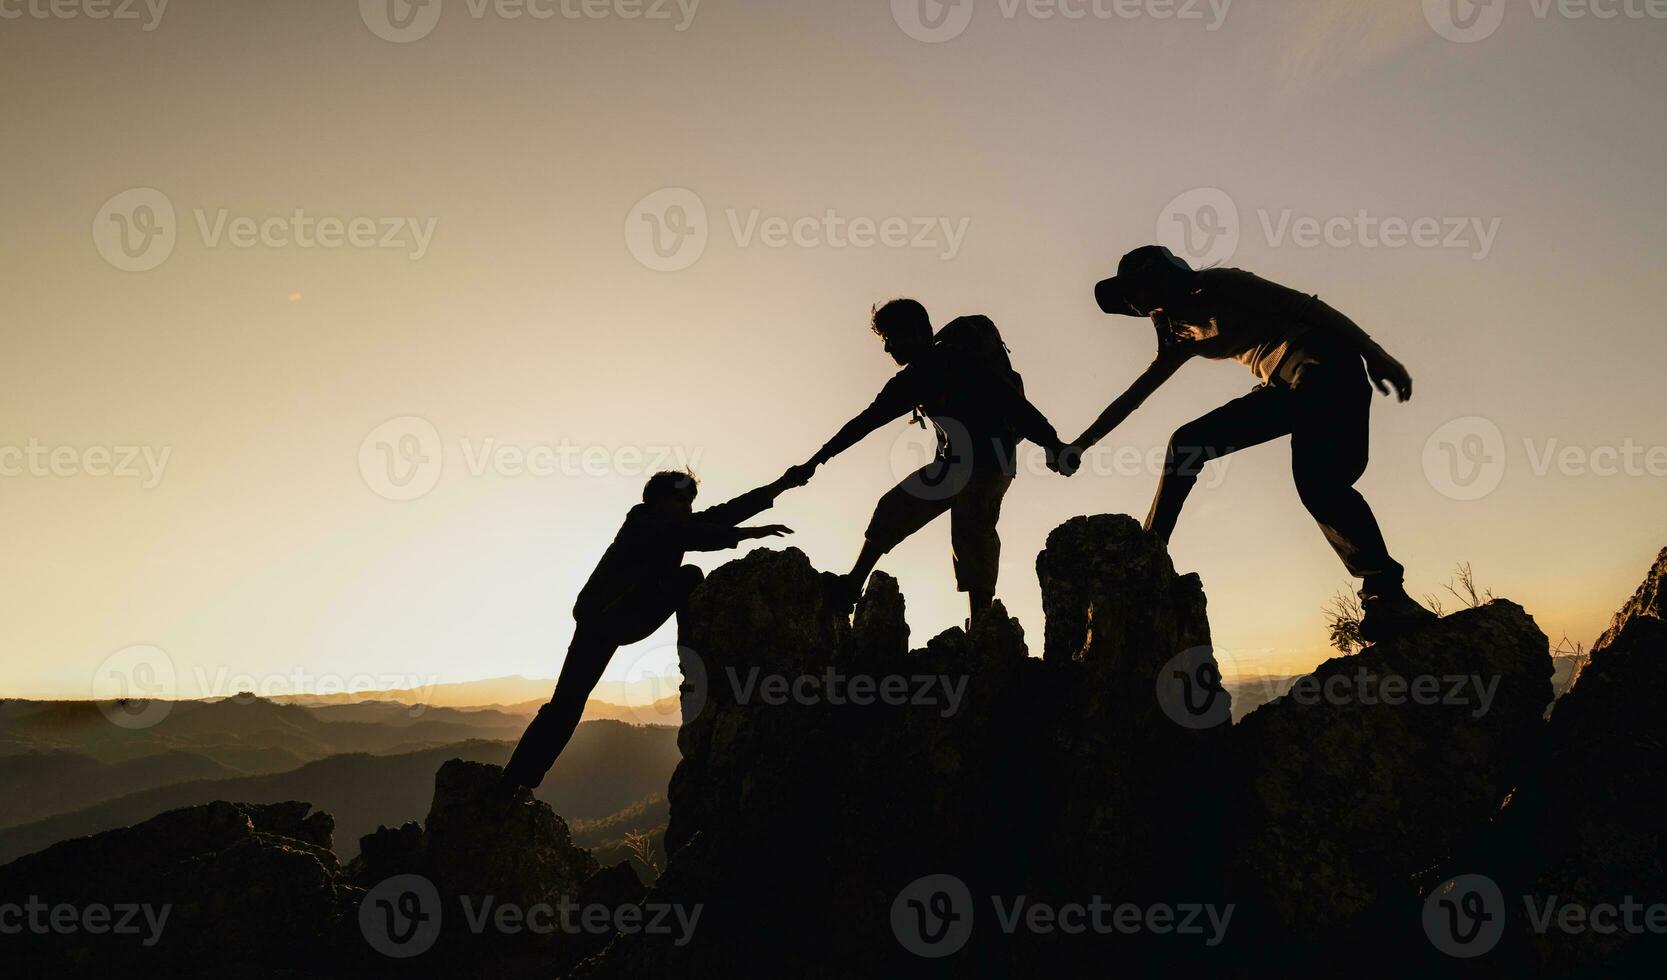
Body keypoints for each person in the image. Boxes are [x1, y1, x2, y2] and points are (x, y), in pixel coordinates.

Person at [1057, 245, 1436, 642]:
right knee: (1187, 443)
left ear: (1162, 279)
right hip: (1284, 387)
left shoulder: (1220, 284)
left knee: (1320, 482)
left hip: (1326, 366)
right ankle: (1150, 554)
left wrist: (1374, 353)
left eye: (1139, 290)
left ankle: (1388, 596)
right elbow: (1136, 394)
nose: (1138, 304)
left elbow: (1310, 309)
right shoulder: (1181, 335)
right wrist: (1082, 444)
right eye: (1132, 300)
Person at [502, 465, 809, 789]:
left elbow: (719, 516)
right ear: (660, 500)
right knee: (567, 704)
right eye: (682, 502)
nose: (688, 510)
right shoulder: (643, 519)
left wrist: (780, 487)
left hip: (622, 619)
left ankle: (517, 780)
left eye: (690, 503)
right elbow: (692, 534)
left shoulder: (671, 522)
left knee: (567, 702)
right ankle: (518, 779)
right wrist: (746, 534)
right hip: (604, 619)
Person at [797, 299, 1067, 623]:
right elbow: (864, 422)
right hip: (952, 464)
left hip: (990, 462)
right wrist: (817, 460)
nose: (886, 348)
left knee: (971, 532)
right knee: (893, 507)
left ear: (918, 332)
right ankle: (851, 586)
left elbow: (1009, 403)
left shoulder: (957, 361)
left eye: (891, 337)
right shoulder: (911, 381)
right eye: (884, 339)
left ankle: (981, 627)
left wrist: (1052, 442)